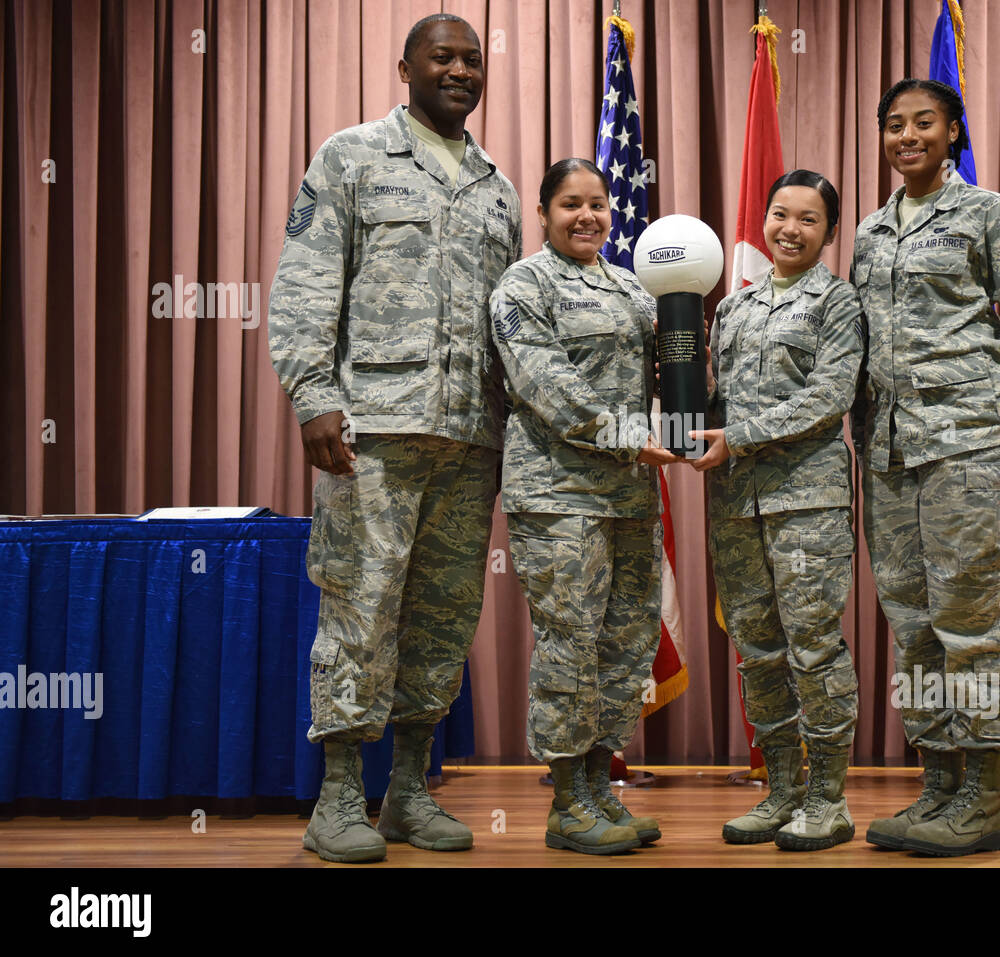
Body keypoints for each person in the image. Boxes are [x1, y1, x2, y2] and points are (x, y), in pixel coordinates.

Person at [267, 13, 522, 863]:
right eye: (441, 57)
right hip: (371, 431)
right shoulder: (352, 157)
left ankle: (410, 790)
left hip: (470, 436)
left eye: (471, 60)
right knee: (359, 609)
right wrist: (313, 394)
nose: (458, 70)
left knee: (444, 618)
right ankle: (339, 797)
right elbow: (305, 282)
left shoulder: (497, 185)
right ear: (405, 67)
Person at [851, 78, 1000, 856]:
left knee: (970, 625)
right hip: (890, 456)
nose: (907, 136)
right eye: (893, 125)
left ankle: (982, 797)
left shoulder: (988, 213)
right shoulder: (871, 233)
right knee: (912, 630)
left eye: (923, 123)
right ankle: (937, 785)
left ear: (952, 133)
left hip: (972, 448)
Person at [490, 158, 678, 855]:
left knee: (624, 644)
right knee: (569, 644)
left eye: (598, 204)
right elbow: (547, 384)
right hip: (558, 494)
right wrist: (634, 436)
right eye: (571, 204)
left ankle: (601, 784)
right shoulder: (522, 286)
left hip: (630, 497)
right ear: (543, 211)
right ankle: (567, 799)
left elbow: (669, 376)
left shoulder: (634, 289)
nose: (588, 217)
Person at [690, 170, 864, 852]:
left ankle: (828, 797)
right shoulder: (732, 308)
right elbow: (713, 401)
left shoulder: (838, 303)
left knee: (814, 646)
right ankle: (783, 788)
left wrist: (741, 436)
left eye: (809, 219)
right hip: (736, 504)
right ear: (764, 220)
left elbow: (831, 394)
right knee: (757, 651)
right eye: (781, 214)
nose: (790, 229)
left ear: (829, 232)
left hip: (807, 502)